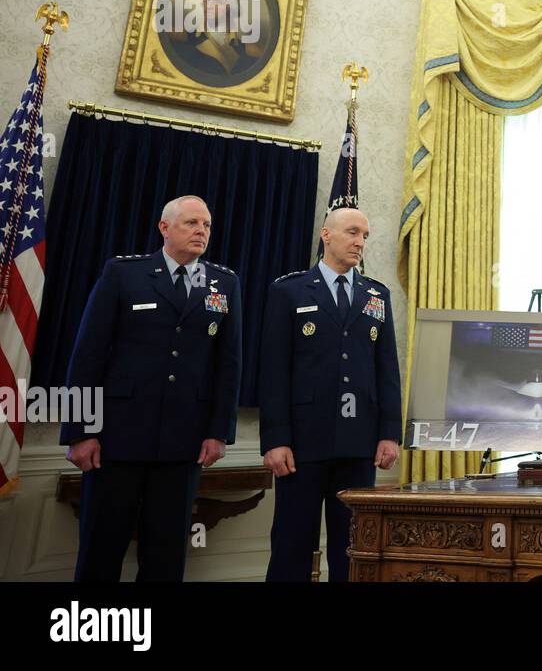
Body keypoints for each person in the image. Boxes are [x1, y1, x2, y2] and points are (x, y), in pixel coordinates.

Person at [62, 194, 242, 582]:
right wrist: (80, 432)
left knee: (166, 555)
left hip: (183, 443)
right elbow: (87, 355)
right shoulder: (124, 274)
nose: (201, 231)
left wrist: (218, 432)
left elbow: (228, 365)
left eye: (207, 225)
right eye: (191, 223)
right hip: (115, 439)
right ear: (164, 227)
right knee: (100, 548)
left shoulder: (224, 283)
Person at [259, 207, 400, 581]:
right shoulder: (288, 291)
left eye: (365, 236)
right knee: (292, 544)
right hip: (302, 445)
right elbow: (274, 371)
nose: (360, 242)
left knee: (353, 547)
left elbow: (387, 369)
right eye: (353, 233)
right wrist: (275, 439)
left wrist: (390, 432)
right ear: (326, 234)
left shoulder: (376, 294)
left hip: (359, 444)